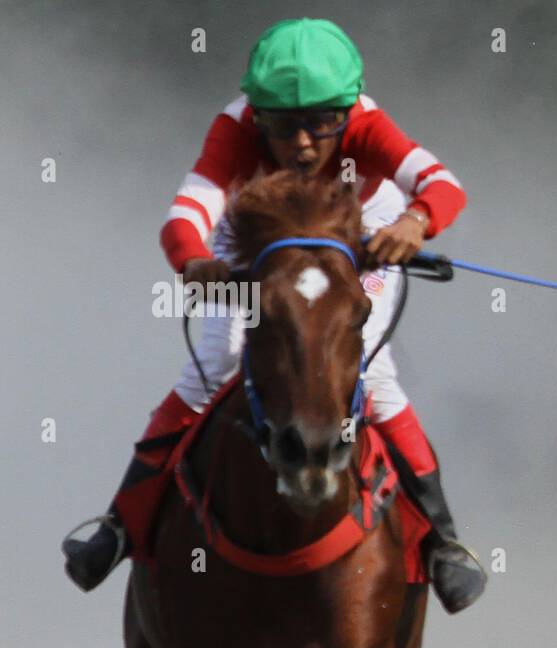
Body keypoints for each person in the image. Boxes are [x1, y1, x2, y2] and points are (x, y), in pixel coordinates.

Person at [61, 17, 487, 612]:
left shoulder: (364, 119)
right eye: (284, 126)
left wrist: (414, 223)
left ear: (347, 110)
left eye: (323, 123)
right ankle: (118, 526)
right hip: (265, 241)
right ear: (257, 113)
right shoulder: (234, 127)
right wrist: (196, 262)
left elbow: (442, 184)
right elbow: (185, 217)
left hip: (355, 230)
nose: (305, 143)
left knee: (375, 372)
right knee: (213, 363)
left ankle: (441, 544)